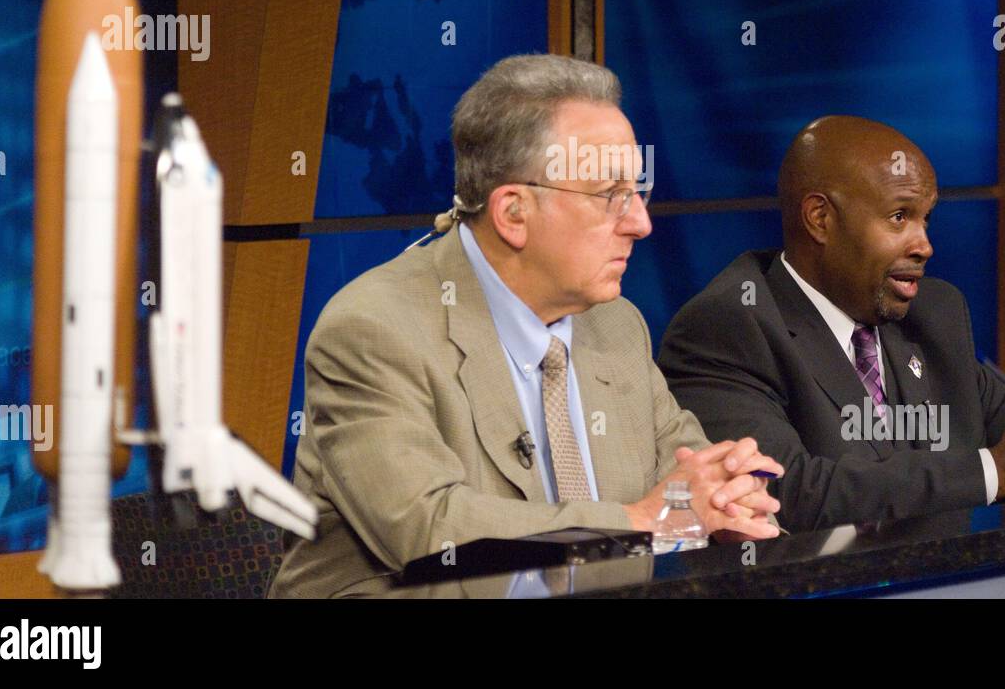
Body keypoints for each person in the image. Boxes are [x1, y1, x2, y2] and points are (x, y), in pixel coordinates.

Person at [269, 55, 781, 598]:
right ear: (513, 212)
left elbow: (690, 471)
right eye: (611, 196)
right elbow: (431, 534)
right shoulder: (374, 330)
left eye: (638, 193)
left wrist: (727, 499)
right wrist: (644, 522)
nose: (640, 223)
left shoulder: (615, 324)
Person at [658, 115, 1005, 532]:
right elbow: (786, 493)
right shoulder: (730, 325)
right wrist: (1000, 472)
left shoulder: (933, 315)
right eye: (899, 217)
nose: (924, 245)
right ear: (820, 218)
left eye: (926, 218)